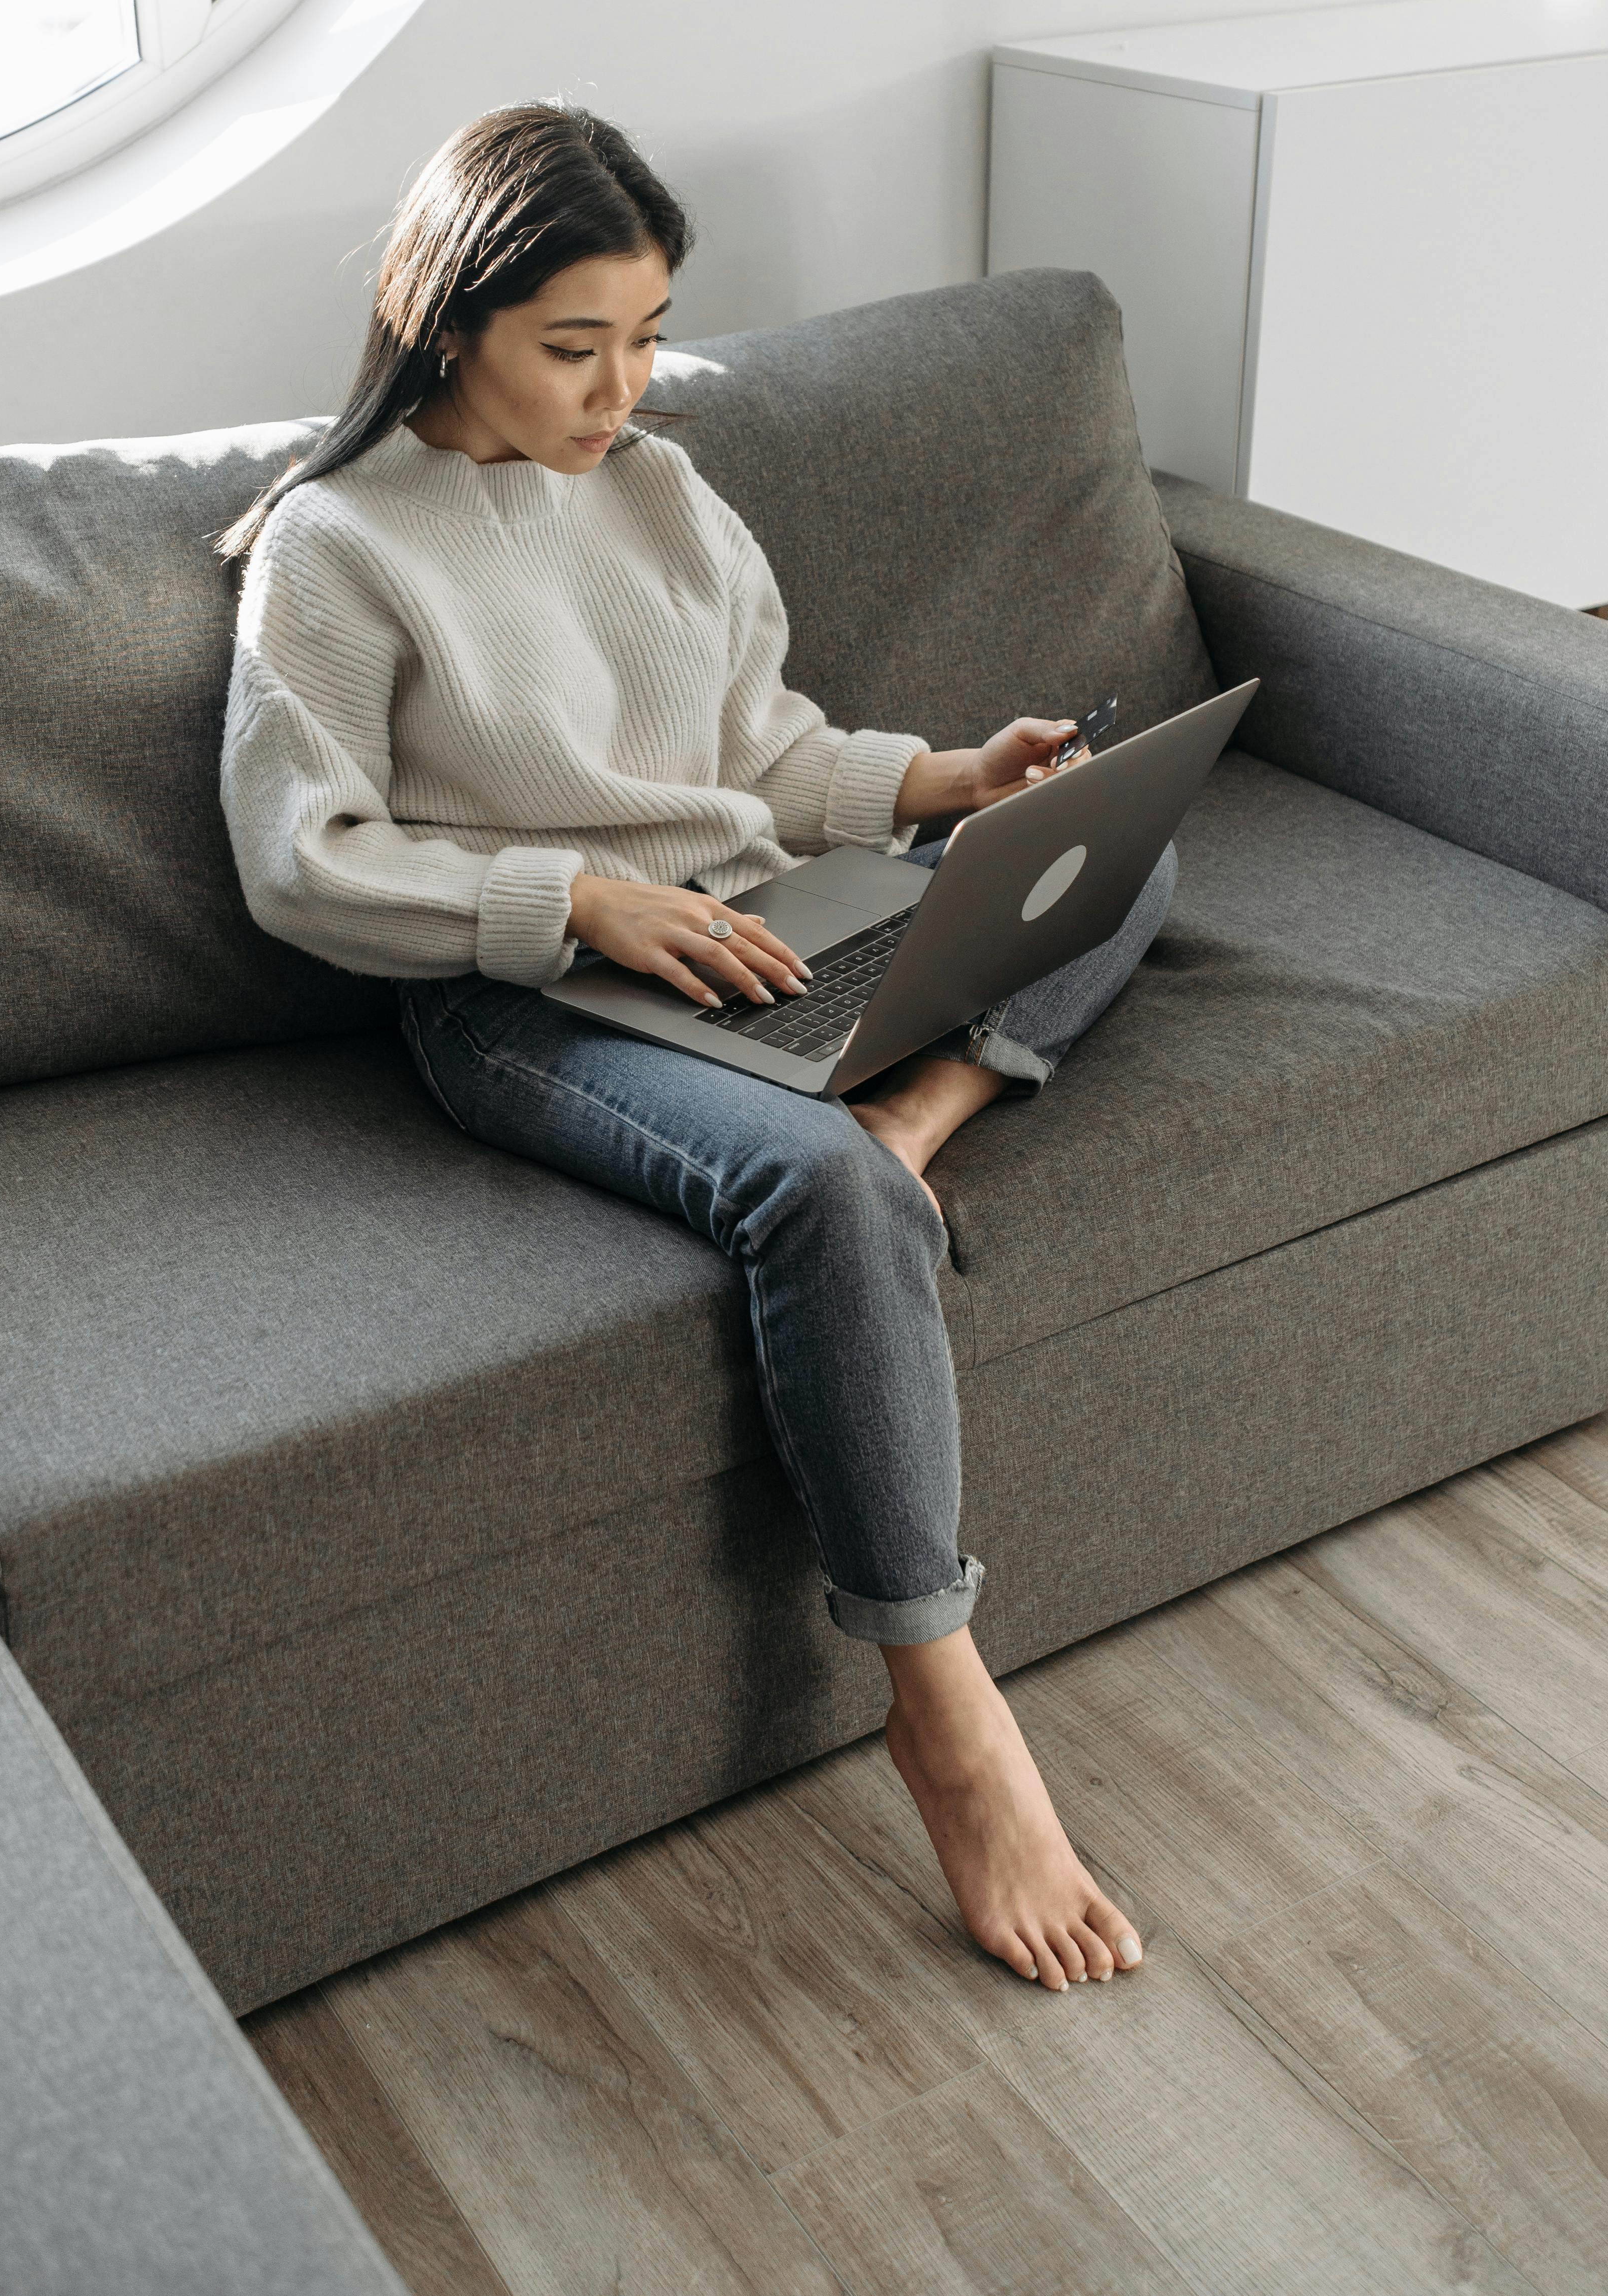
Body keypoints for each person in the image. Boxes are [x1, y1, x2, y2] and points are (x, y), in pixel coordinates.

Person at [220, 103, 1173, 1989]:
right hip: (524, 998)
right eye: (577, 345)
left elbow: (765, 757)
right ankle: (944, 1705)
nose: (621, 386)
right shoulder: (334, 547)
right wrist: (569, 900)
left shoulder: (663, 488)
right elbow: (297, 861)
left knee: (1111, 847)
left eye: (646, 335)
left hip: (761, 919)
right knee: (808, 1187)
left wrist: (944, 779)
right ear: (447, 316)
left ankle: (918, 1099)